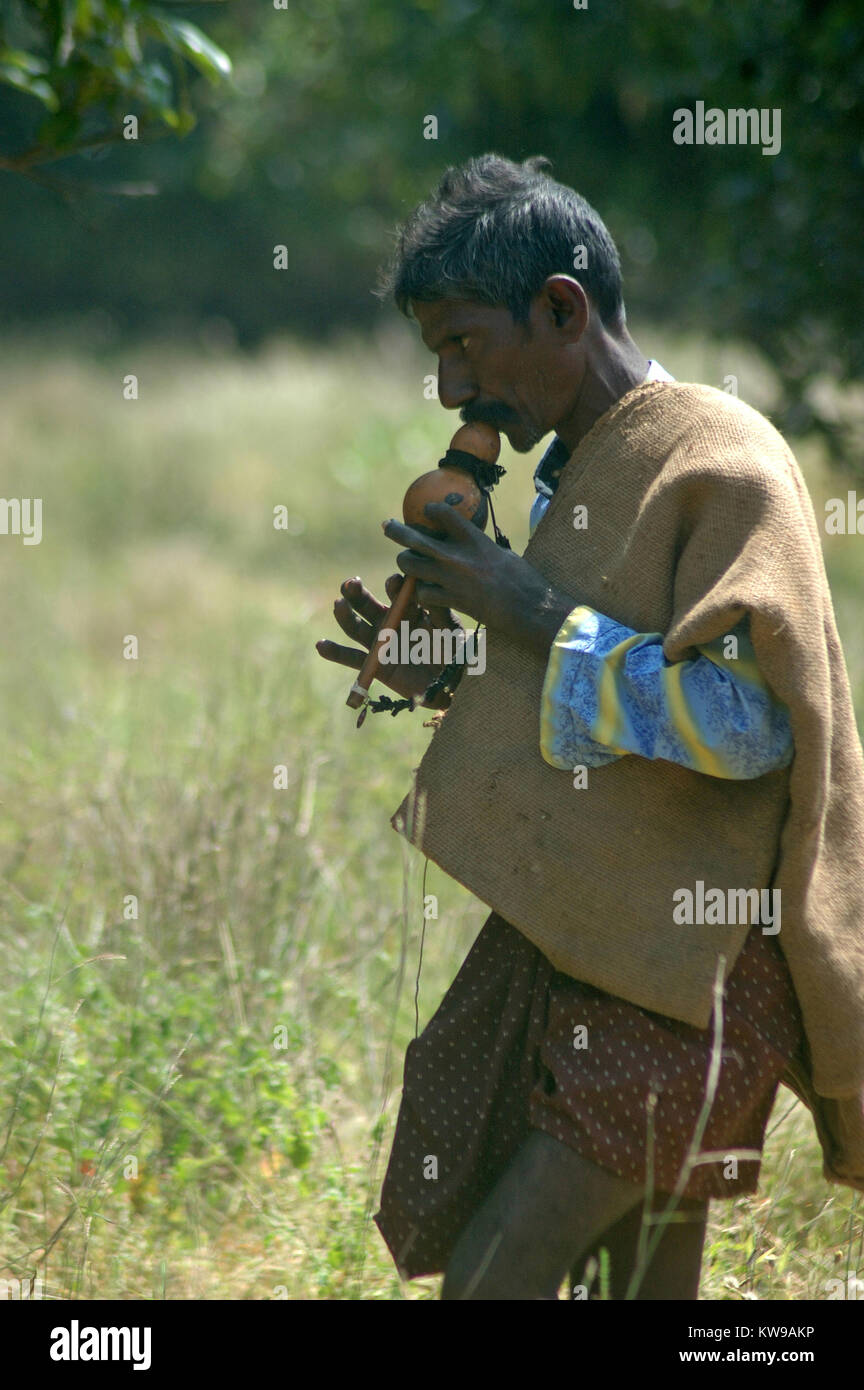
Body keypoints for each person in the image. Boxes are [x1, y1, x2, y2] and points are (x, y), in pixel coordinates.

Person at [315, 154, 864, 1300]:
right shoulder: (580, 466)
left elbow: (744, 729)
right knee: (641, 1292)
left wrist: (525, 605)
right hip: (612, 947)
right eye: (438, 358)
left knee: (493, 1280)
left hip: (699, 966)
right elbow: (607, 716)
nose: (454, 390)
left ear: (562, 309)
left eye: (465, 344)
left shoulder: (722, 460)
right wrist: (453, 671)